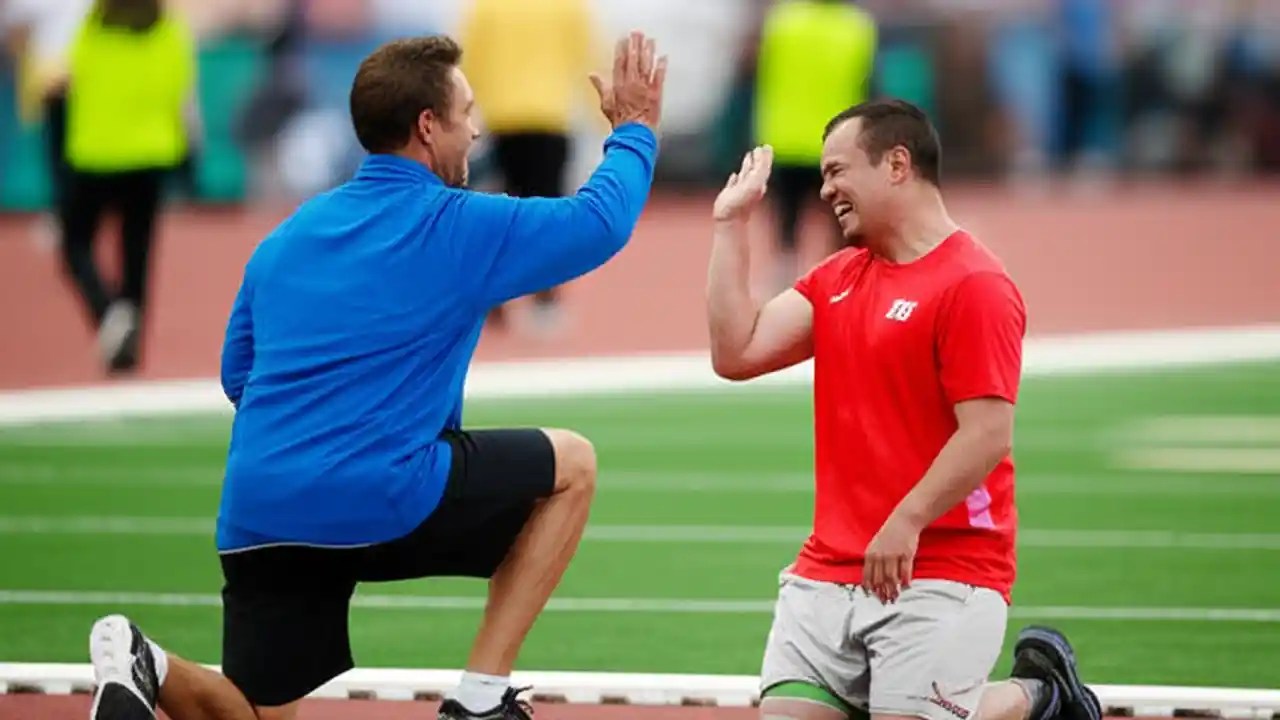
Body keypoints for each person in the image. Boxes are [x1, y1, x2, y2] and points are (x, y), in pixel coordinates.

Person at [83, 30, 667, 720]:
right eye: (467, 111)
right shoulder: (455, 223)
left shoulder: (286, 238)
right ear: (428, 126)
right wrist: (633, 132)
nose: (477, 129)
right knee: (572, 465)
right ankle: (481, 697)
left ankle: (142, 661)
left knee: (260, 714)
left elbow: (239, 375)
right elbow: (598, 223)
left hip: (259, 510)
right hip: (379, 495)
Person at [705, 98, 1104, 720]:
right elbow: (736, 352)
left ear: (896, 164)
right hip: (827, 571)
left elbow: (989, 432)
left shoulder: (974, 284)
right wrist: (731, 226)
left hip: (945, 569)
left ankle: (1037, 698)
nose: (825, 188)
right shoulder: (839, 277)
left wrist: (907, 519)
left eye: (837, 170)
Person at [58, 0, 197, 373]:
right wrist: (189, 154)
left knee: (75, 242)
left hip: (95, 152)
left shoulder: (93, 27)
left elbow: (67, 78)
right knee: (137, 252)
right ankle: (129, 344)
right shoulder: (169, 30)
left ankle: (108, 314)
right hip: (151, 153)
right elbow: (181, 94)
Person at [461, 0, 605, 335]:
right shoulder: (567, 6)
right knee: (546, 214)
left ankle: (495, 299)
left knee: (499, 214)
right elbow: (589, 60)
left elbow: (468, 61)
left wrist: (464, 114)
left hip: (502, 119)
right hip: (550, 117)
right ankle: (546, 302)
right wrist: (603, 118)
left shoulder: (488, 7)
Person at [752, 0, 876, 293]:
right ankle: (840, 288)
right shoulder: (858, 27)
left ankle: (780, 294)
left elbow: (758, 73)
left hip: (785, 140)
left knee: (786, 228)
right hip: (838, 144)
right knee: (842, 226)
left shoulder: (781, 21)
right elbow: (869, 86)